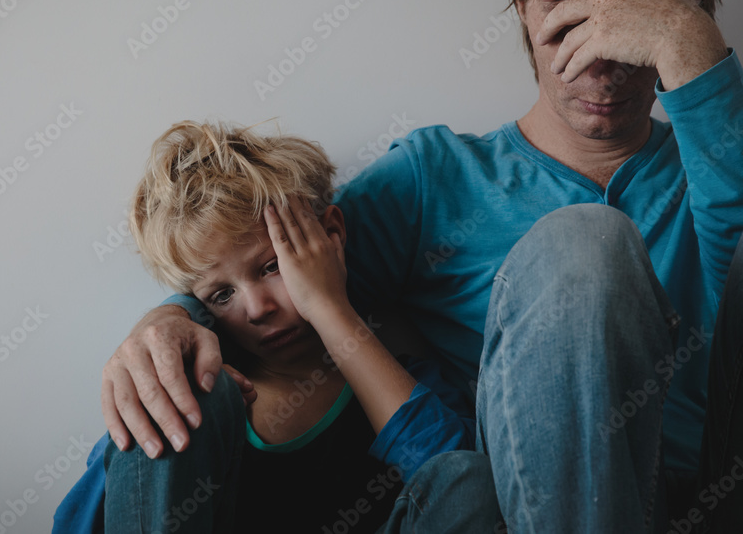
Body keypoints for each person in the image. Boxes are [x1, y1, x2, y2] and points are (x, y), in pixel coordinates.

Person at [99, 0, 743, 532]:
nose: (600, 64)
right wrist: (175, 317)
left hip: (709, 489)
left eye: (632, 25)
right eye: (574, 25)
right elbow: (282, 258)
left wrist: (693, 51)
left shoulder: (715, 158)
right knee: (586, 242)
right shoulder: (438, 178)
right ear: (525, 8)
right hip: (535, 503)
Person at [54, 121, 499, 533]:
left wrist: (330, 309)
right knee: (184, 397)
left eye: (272, 266)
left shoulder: (410, 383)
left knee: (467, 475)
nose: (257, 308)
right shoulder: (202, 398)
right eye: (221, 295)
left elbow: (462, 490)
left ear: (332, 234)